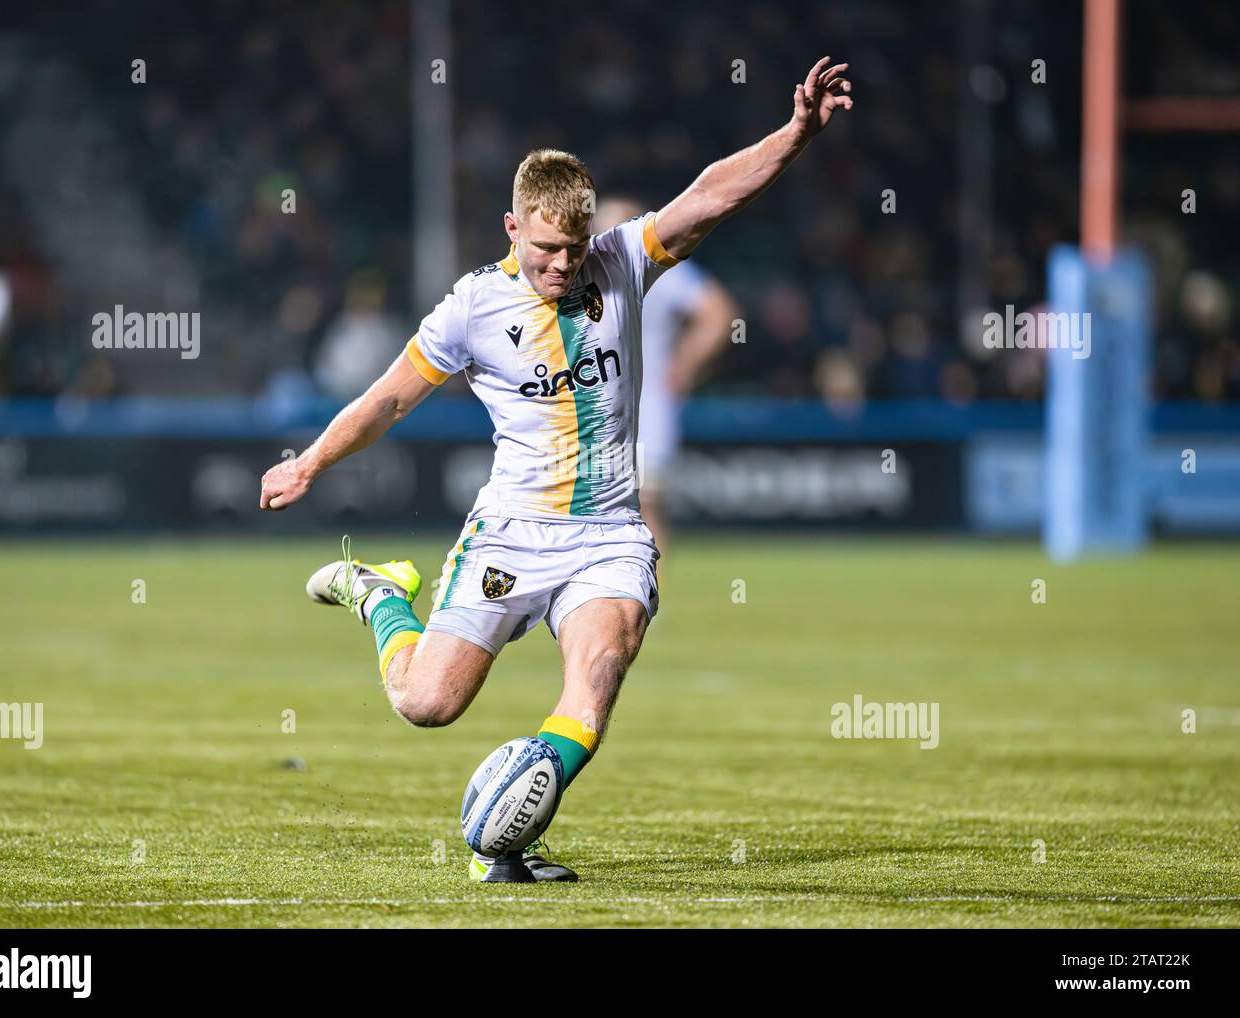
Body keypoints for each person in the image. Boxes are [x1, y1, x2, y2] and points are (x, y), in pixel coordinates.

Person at [258, 56, 853, 882]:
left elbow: (712, 194)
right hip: (511, 530)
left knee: (599, 674)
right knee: (426, 704)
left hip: (608, 534)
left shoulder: (625, 259)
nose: (562, 267)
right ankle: (381, 595)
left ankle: (506, 841)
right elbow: (390, 399)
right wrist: (313, 460)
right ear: (511, 228)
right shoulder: (472, 308)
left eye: (573, 250)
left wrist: (793, 136)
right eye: (544, 250)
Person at [593, 197, 737, 578]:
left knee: (645, 501)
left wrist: (684, 365)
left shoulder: (660, 270)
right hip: (599, 404)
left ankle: (643, 596)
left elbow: (718, 312)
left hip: (646, 404)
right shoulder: (590, 271)